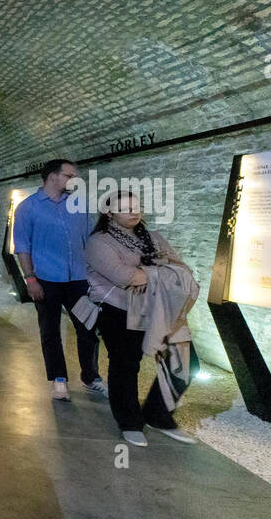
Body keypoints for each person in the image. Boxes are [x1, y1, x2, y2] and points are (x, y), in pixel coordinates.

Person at [85, 190, 199, 447]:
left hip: (162, 309)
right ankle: (129, 421)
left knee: (186, 363)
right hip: (119, 311)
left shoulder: (154, 237)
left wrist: (154, 273)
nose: (134, 211)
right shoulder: (99, 243)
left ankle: (158, 414)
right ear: (109, 212)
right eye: (125, 208)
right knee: (126, 366)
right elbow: (126, 277)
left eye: (137, 206)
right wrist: (164, 273)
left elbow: (183, 270)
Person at [13, 159, 105, 401]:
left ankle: (91, 376)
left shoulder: (79, 205)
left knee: (87, 328)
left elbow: (91, 241)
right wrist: (30, 279)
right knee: (50, 330)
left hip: (78, 280)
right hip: (46, 279)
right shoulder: (27, 208)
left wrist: (95, 275)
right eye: (69, 175)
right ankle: (59, 379)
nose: (74, 180)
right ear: (52, 176)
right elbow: (23, 247)